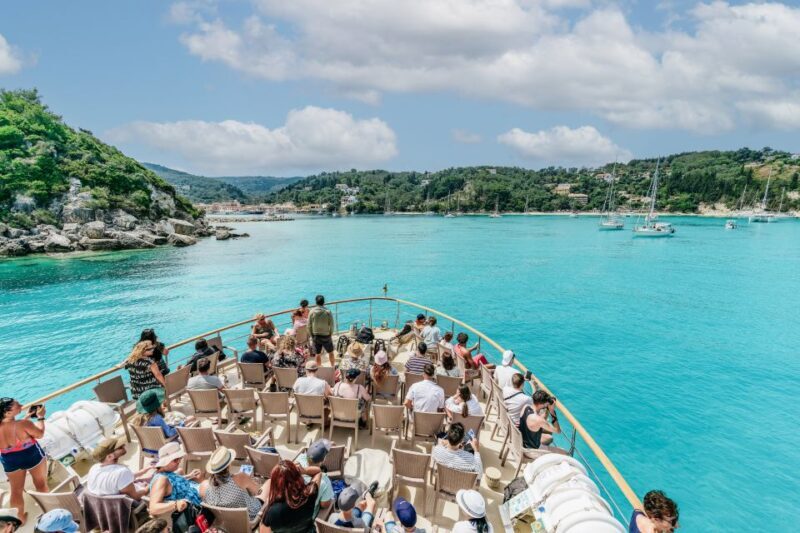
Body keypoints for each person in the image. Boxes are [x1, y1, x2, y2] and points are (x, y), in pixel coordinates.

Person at [0, 398, 47, 524]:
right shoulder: (23, 424)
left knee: (16, 490)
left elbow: (12, 432)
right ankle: (48, 512)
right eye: (17, 405)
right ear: (8, 413)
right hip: (31, 455)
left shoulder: (21, 423)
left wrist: (25, 419)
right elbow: (40, 434)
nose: (21, 405)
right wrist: (41, 418)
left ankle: (19, 518)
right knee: (41, 484)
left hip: (10, 460)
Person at [200, 446, 268, 520]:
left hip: (227, 523)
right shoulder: (241, 478)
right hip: (251, 518)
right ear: (229, 464)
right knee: (269, 482)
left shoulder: (203, 486)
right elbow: (257, 491)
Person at [260, 460, 322, 533]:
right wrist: (304, 470)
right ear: (298, 476)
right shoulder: (310, 493)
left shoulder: (271, 512)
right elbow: (318, 472)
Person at [148, 442, 203, 519]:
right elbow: (153, 508)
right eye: (175, 460)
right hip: (197, 507)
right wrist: (175, 504)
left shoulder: (166, 473)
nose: (179, 462)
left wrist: (189, 476)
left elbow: (174, 483)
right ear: (165, 462)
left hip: (196, 493)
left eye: (179, 458)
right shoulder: (161, 479)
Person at [86, 436, 150, 499]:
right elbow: (136, 497)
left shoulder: (94, 468)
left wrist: (143, 471)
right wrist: (153, 482)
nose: (124, 445)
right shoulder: (122, 472)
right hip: (129, 507)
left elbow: (120, 479)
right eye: (120, 447)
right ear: (110, 456)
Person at [132, 389, 193, 454]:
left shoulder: (137, 419)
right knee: (189, 424)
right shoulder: (156, 417)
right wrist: (182, 424)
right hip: (161, 449)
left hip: (147, 449)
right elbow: (170, 434)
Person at [519, 391, 567, 456]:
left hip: (523, 444)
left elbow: (540, 420)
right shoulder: (538, 420)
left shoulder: (526, 407)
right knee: (565, 453)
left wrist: (547, 409)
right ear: (542, 404)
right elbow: (557, 430)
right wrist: (552, 411)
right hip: (532, 451)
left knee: (549, 437)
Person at [293, 439, 334, 515]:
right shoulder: (325, 481)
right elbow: (324, 505)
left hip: (293, 510)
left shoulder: (298, 461)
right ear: (323, 460)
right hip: (307, 517)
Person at [308, 295, 335, 367]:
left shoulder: (312, 312)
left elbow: (309, 325)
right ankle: (332, 367)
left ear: (316, 302)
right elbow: (332, 325)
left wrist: (312, 335)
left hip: (316, 335)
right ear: (324, 302)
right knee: (331, 352)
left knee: (317, 354)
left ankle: (319, 368)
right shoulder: (328, 312)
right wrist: (330, 334)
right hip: (326, 335)